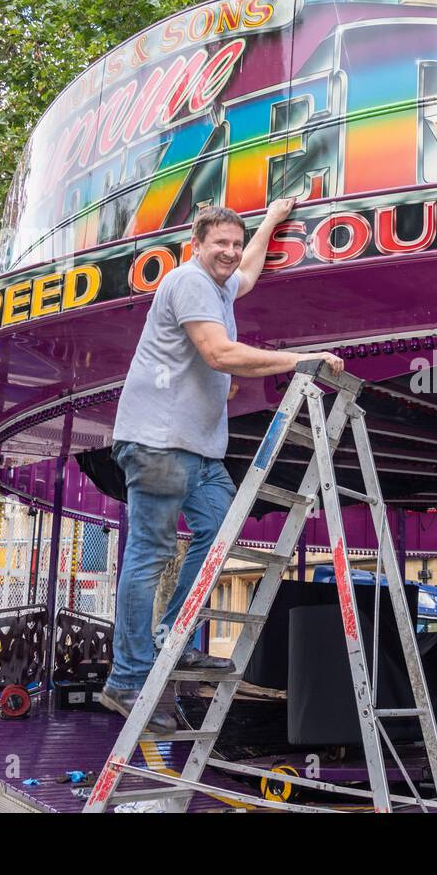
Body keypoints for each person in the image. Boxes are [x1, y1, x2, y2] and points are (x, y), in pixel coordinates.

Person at [102, 199, 344, 732]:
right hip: (159, 442)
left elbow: (251, 269)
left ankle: (172, 640)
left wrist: (273, 219)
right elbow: (219, 353)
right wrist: (302, 360)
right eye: (221, 245)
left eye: (234, 244)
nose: (231, 253)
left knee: (219, 535)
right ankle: (127, 677)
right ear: (197, 246)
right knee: (150, 555)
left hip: (198, 448)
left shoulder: (221, 283)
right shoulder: (189, 282)